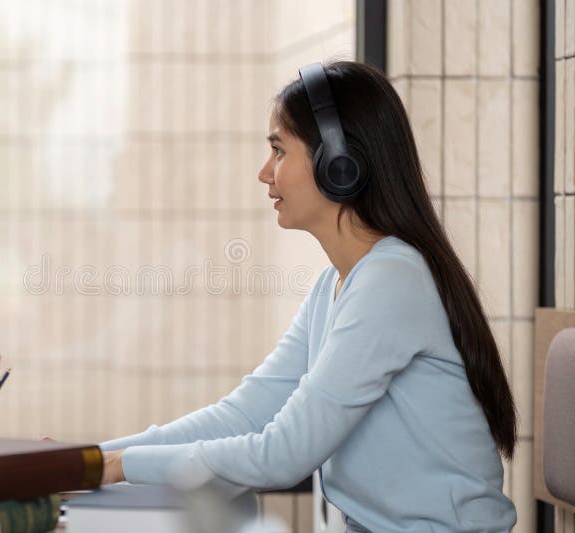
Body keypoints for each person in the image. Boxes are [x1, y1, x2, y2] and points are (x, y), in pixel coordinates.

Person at [98, 61, 518, 532]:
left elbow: (282, 455)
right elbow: (246, 413)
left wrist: (115, 467)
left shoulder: (392, 281)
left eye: (277, 150)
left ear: (339, 163)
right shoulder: (336, 285)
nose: (264, 173)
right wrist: (92, 458)